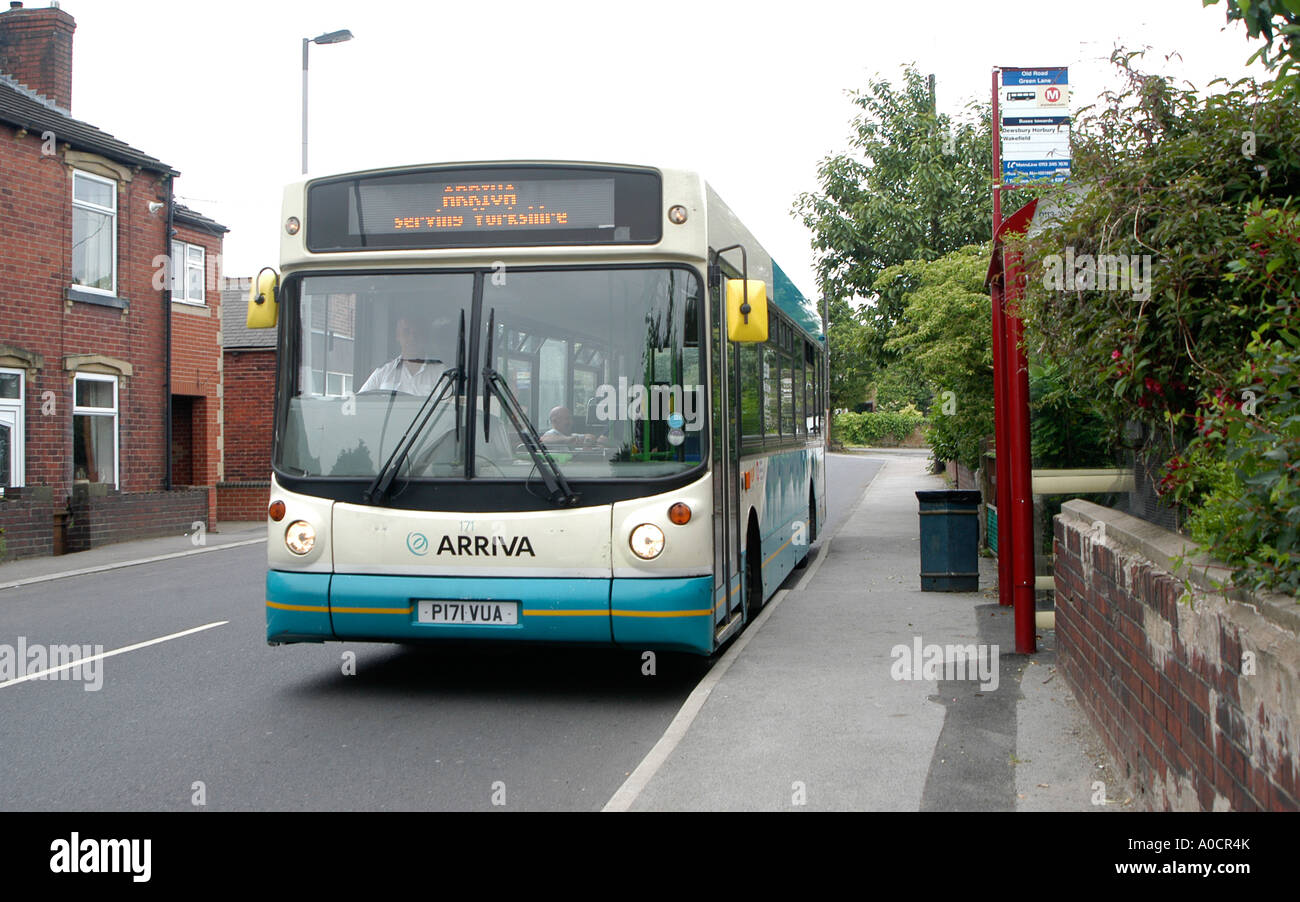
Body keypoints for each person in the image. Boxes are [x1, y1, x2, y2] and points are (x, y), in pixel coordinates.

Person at [359, 316, 445, 394]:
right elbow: (360, 403)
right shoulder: (384, 372)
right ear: (398, 336)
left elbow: (449, 408)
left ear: (424, 337)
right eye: (406, 332)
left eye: (417, 333)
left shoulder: (441, 374)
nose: (412, 338)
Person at [541, 405, 605, 447]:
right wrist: (568, 439)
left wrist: (588, 440)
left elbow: (589, 436)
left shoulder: (571, 435)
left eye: (571, 419)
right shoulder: (551, 433)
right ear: (555, 421)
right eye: (567, 419)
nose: (570, 422)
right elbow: (544, 439)